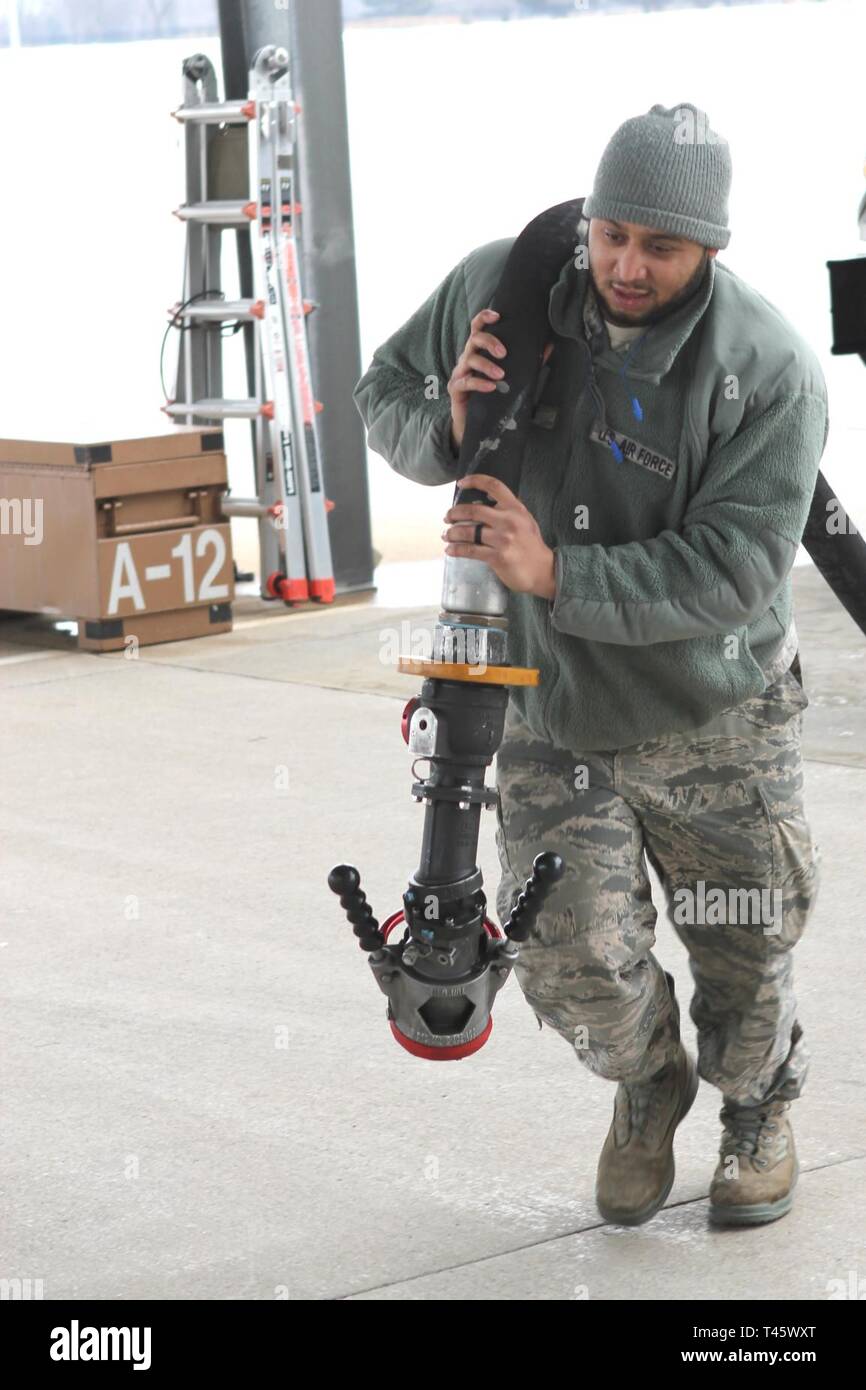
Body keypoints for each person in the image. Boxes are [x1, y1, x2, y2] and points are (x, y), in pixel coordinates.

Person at [353, 103, 827, 1228]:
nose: (624, 264)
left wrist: (553, 572)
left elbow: (735, 569)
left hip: (713, 707)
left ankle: (756, 1107)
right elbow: (386, 395)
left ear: (709, 248)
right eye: (610, 233)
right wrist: (451, 418)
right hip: (547, 710)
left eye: (658, 247)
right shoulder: (505, 286)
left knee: (744, 945)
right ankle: (645, 1081)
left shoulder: (767, 370)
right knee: (567, 960)